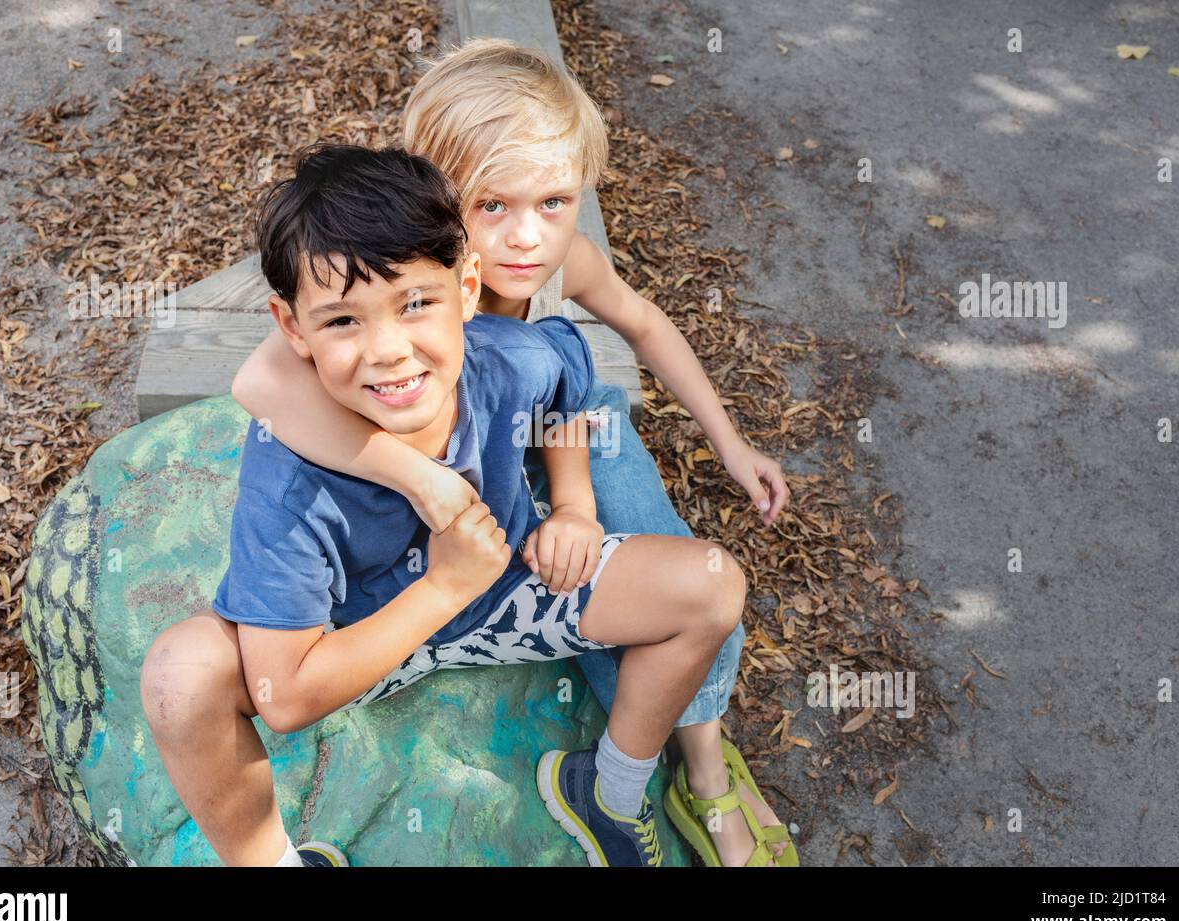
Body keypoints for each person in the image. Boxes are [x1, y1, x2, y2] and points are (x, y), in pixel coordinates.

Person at [230, 39, 797, 868]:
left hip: (562, 422)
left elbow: (639, 326)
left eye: (556, 202)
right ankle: (642, 746)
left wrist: (726, 441)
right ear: (436, 194)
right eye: (490, 206)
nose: (526, 238)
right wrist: (417, 477)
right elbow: (261, 378)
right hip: (475, 446)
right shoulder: (401, 291)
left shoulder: (558, 268)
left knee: (667, 555)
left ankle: (698, 764)